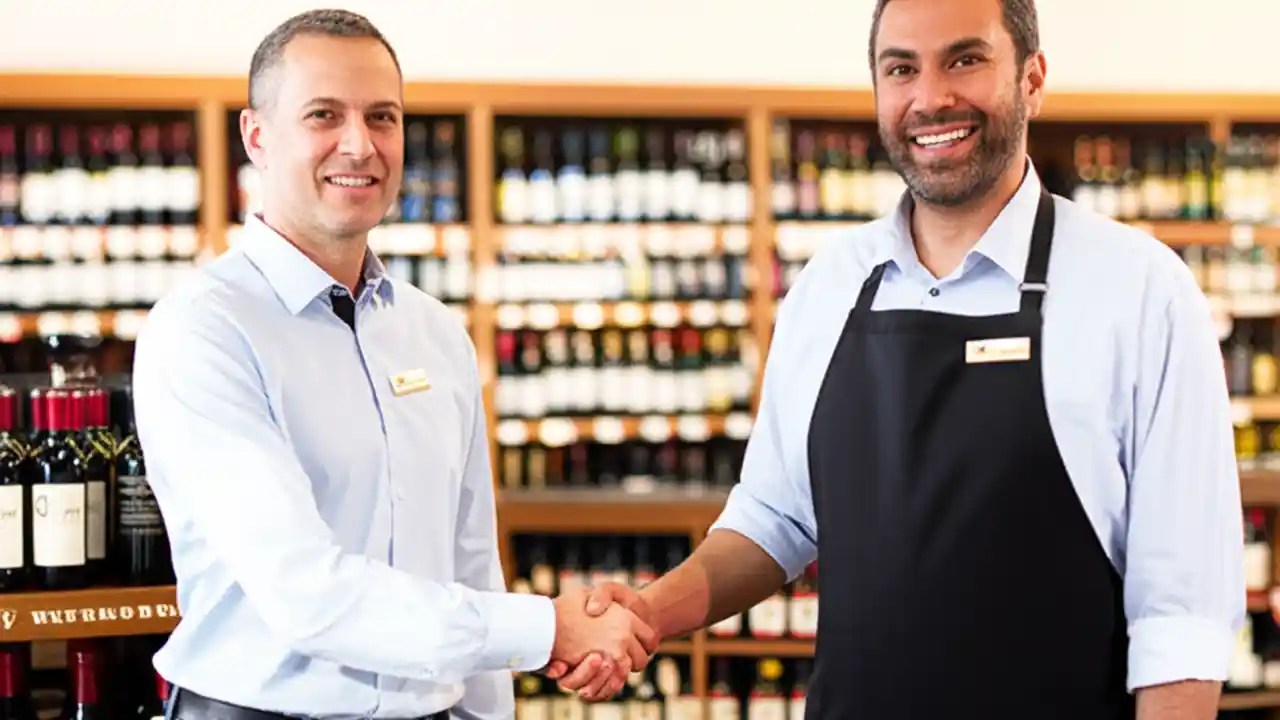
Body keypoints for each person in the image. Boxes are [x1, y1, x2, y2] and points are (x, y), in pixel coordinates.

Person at [550, 0, 1246, 717]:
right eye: (902, 69)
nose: (930, 97)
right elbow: (775, 517)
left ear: (1032, 79)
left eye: (965, 60)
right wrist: (649, 612)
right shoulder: (828, 285)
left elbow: (1181, 615)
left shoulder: (1139, 292)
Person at [131, 9, 656, 720]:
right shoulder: (205, 330)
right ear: (256, 137)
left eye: (383, 117)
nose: (360, 144)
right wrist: (547, 629)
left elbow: (470, 562)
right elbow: (305, 591)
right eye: (323, 115)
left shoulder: (434, 332)